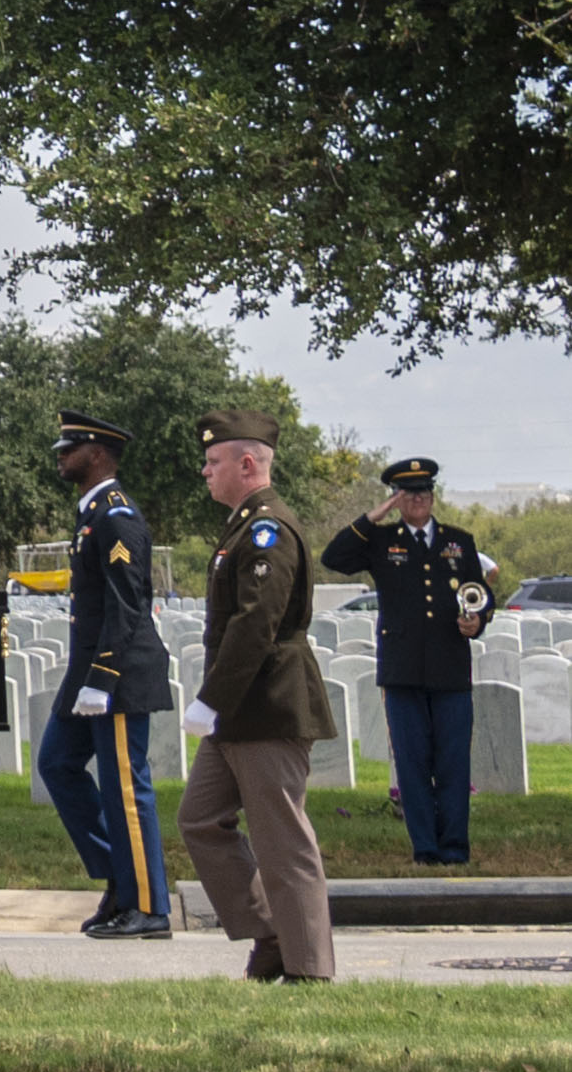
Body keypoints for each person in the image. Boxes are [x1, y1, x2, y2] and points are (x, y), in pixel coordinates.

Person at [176, 407, 336, 982]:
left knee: (282, 840)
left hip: (268, 704)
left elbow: (255, 624)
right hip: (238, 711)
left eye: (213, 460)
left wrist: (212, 698)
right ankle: (270, 932)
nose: (205, 470)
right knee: (200, 819)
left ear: (247, 464)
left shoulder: (269, 529)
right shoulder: (243, 526)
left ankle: (309, 967)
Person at [43, 409, 174, 939]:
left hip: (116, 674)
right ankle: (121, 875)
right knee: (57, 764)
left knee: (125, 787)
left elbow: (127, 604)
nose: (60, 456)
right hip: (90, 673)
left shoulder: (116, 515)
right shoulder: (92, 512)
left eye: (69, 448)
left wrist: (102, 678)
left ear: (97, 455)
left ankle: (147, 904)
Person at [325, 456, 492, 865]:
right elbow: (334, 558)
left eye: (424, 492)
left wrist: (478, 621)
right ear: (397, 499)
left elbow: (480, 594)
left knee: (453, 762)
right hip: (403, 669)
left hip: (450, 667)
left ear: (433, 496)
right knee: (412, 762)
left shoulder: (458, 541)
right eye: (408, 493)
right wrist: (373, 516)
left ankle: (454, 847)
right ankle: (426, 848)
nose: (418, 499)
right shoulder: (382, 541)